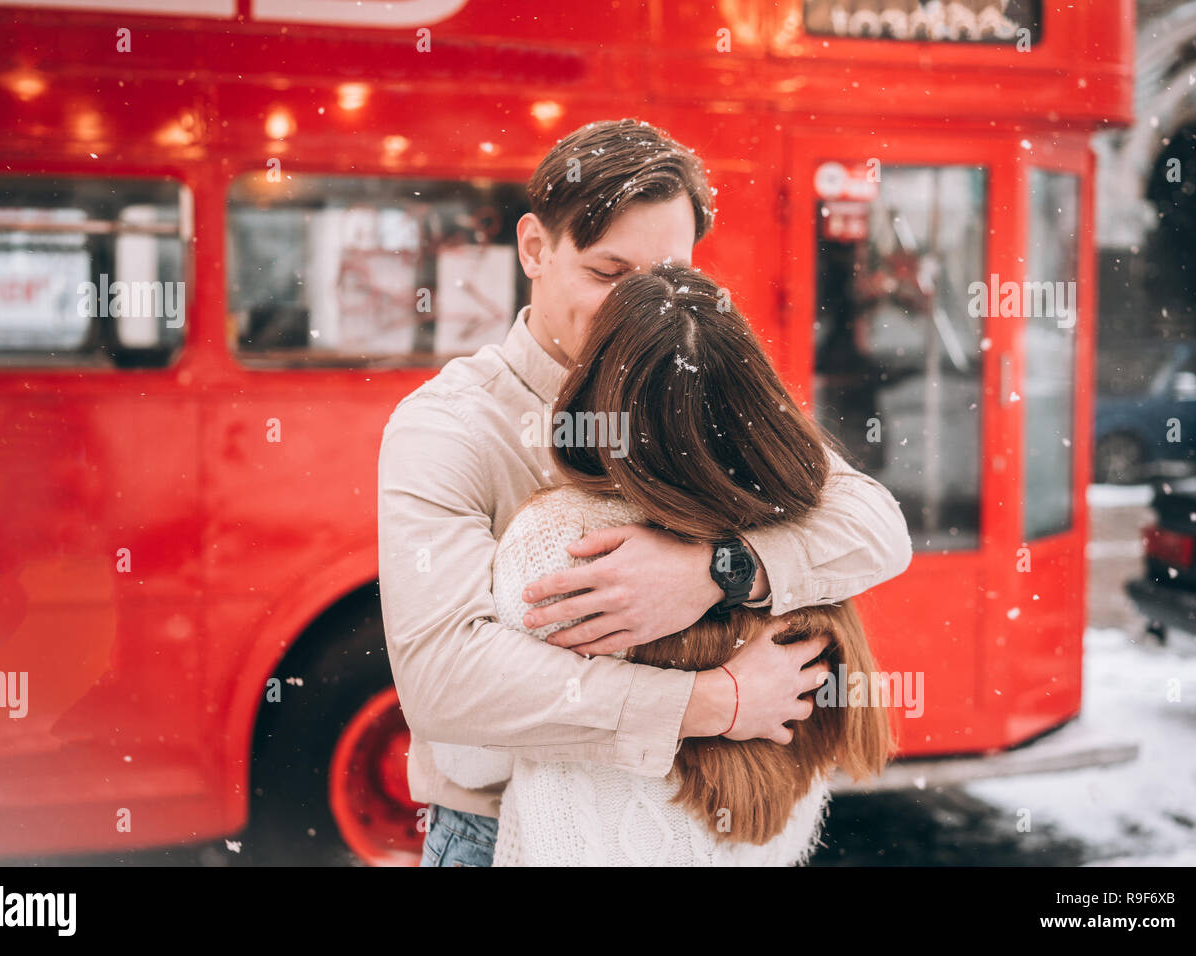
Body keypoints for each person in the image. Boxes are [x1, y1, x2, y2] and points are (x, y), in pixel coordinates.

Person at [377, 118, 912, 867]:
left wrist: (716, 571)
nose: (639, 309)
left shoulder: (693, 377)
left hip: (704, 829)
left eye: (666, 275)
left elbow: (875, 525)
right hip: (508, 836)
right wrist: (713, 704)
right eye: (608, 274)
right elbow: (443, 682)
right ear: (534, 247)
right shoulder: (449, 428)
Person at [435, 264, 895, 865]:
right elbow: (887, 528)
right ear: (760, 399)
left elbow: (469, 757)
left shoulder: (557, 541)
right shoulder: (812, 522)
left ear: (593, 395)